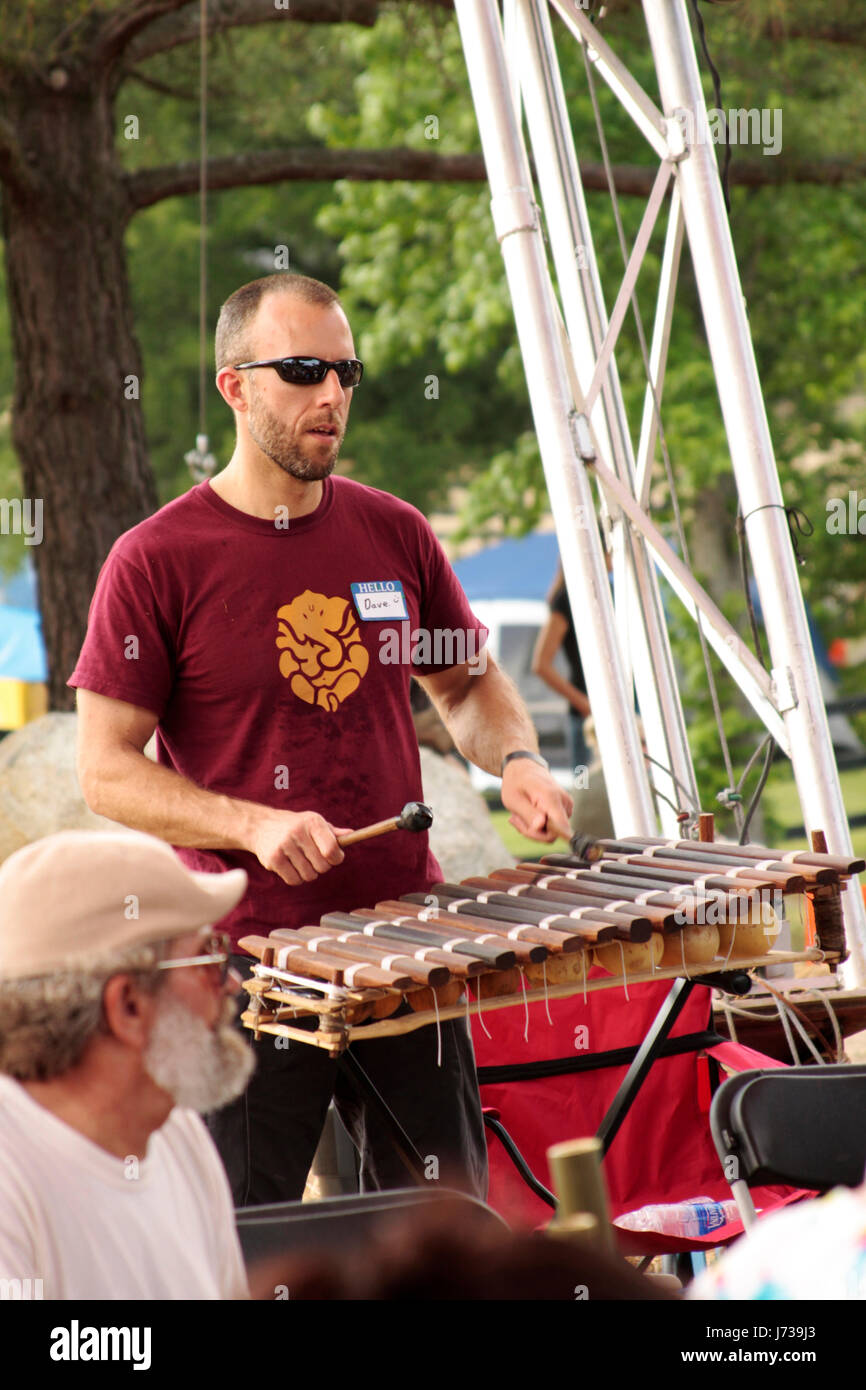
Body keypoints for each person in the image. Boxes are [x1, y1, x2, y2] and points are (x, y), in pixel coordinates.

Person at [70, 272, 572, 1207]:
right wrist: (253, 825)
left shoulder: (395, 531)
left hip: (403, 953)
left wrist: (519, 760)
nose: (331, 395)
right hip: (242, 971)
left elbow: (467, 683)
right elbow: (104, 772)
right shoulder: (155, 560)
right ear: (235, 385)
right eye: (302, 370)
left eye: (346, 371)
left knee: (444, 1236)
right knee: (245, 1244)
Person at [0, 829, 253, 1300]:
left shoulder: (175, 1131)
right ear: (128, 1007)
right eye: (208, 957)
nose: (232, 984)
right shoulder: (11, 1177)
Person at [532, 563, 591, 782]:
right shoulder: (566, 600)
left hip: (620, 709)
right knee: (583, 783)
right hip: (584, 717)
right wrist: (583, 703)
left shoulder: (613, 591)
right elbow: (541, 665)